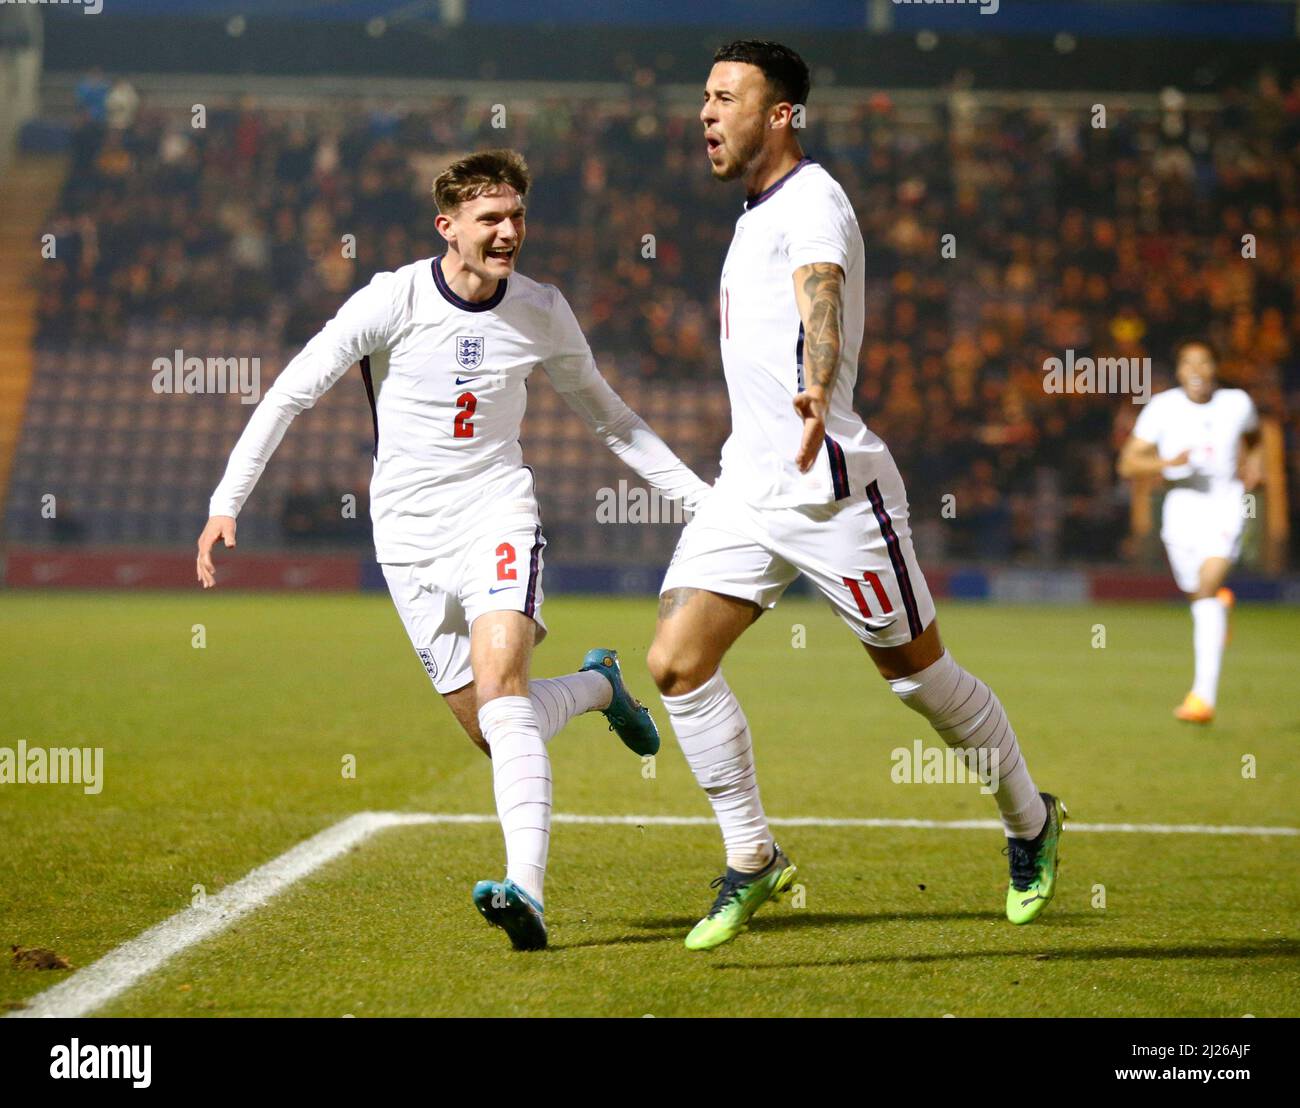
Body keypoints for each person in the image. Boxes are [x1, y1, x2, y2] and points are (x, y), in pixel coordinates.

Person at [196, 149, 710, 951]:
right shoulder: (391, 300)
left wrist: (700, 504)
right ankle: (599, 688)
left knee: (504, 689)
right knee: (494, 727)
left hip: (496, 512)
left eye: (516, 218)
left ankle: (527, 895)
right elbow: (294, 388)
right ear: (448, 227)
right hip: (406, 536)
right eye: (490, 219)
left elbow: (611, 417)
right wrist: (227, 502)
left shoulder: (542, 309)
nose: (509, 233)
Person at [646, 42, 1064, 951]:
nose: (706, 114)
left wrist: (816, 381)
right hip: (749, 486)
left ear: (781, 113)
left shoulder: (813, 201)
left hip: (833, 489)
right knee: (676, 664)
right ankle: (753, 860)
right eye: (703, 98)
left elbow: (821, 293)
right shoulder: (753, 213)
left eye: (725, 98)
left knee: (920, 682)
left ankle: (1031, 821)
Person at [1118, 339, 1262, 723]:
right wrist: (1167, 462)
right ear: (1179, 371)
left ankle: (1202, 697)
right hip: (1180, 511)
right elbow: (1129, 464)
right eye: (1188, 364)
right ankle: (1218, 608)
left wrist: (1254, 463)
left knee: (1204, 591)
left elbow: (1253, 435)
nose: (1197, 370)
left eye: (1204, 362)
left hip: (1226, 507)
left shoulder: (1237, 403)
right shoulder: (1163, 409)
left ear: (1215, 367)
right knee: (1198, 594)